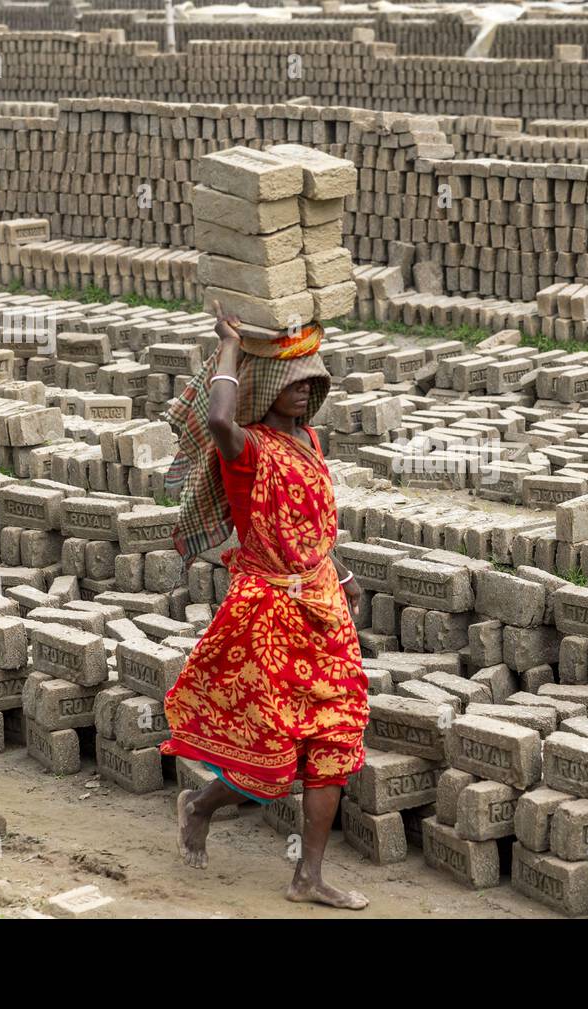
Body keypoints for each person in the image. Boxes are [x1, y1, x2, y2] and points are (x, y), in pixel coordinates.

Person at [160, 302, 369, 910]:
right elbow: (220, 420)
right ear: (267, 386)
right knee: (274, 752)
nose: (304, 392)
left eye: (313, 382)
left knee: (334, 739)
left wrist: (344, 574)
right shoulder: (246, 449)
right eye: (292, 381)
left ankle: (309, 877)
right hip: (267, 610)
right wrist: (228, 345)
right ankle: (200, 805)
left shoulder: (310, 440)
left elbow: (309, 525)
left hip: (323, 608)